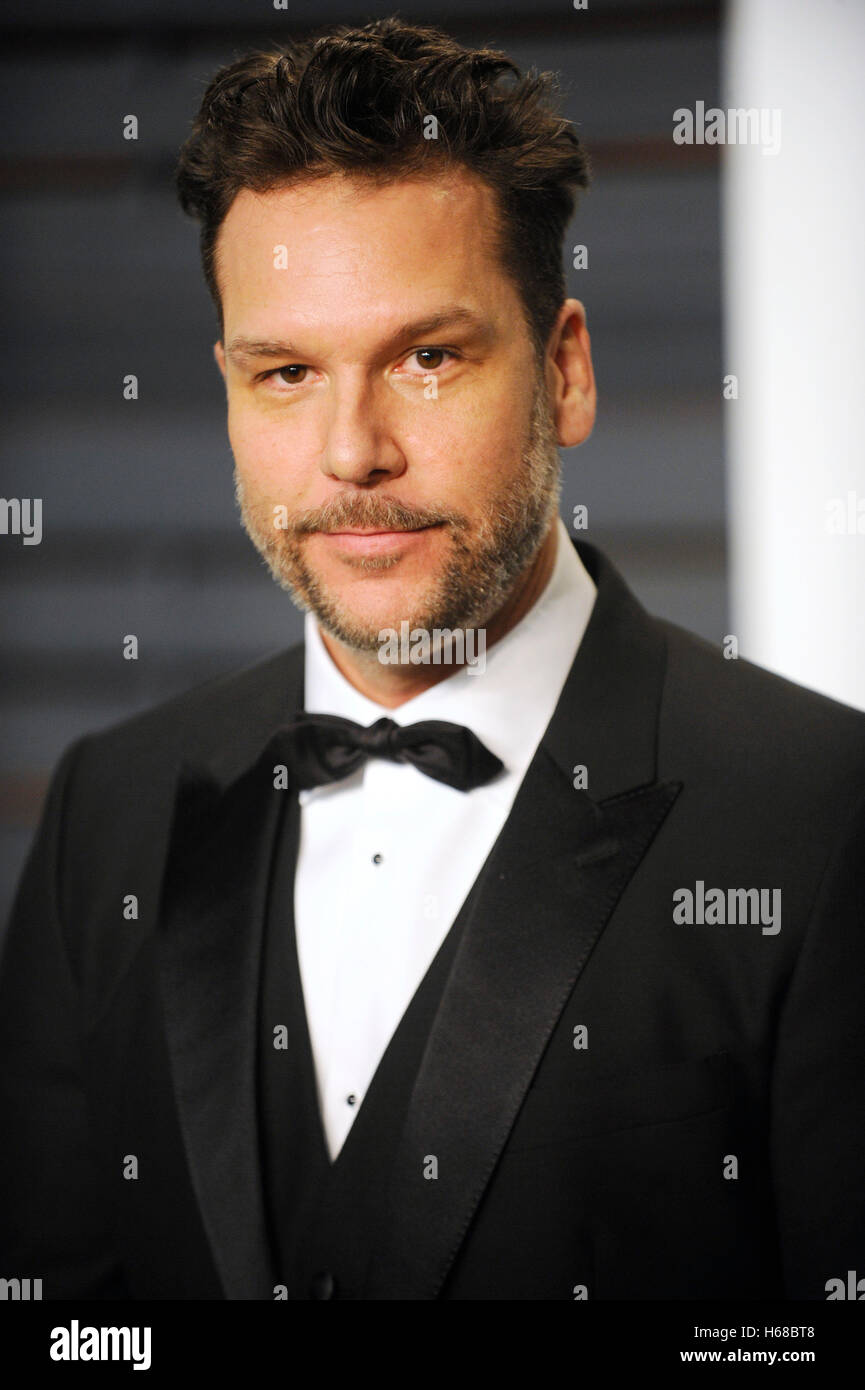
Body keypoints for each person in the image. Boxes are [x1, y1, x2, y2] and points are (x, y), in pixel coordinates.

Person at [1, 17, 863, 1302]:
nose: (352, 452)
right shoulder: (106, 810)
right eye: (286, 372)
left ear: (563, 371)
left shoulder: (826, 810)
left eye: (427, 357)